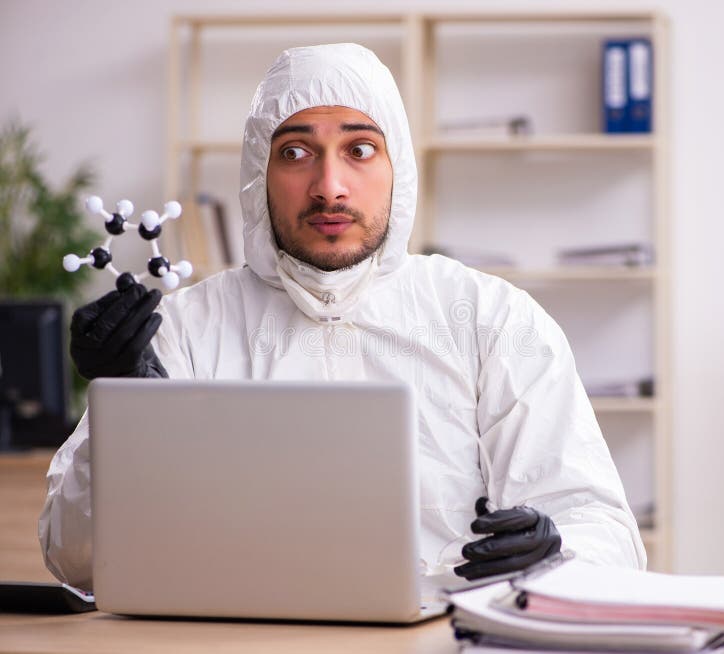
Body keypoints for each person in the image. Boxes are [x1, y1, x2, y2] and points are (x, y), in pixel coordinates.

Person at [39, 43, 646, 592]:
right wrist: (128, 405)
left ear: (397, 170)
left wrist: (555, 551)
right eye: (296, 152)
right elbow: (75, 559)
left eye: (359, 149)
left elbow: (603, 529)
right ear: (258, 175)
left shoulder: (491, 319)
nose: (329, 187)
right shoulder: (183, 330)